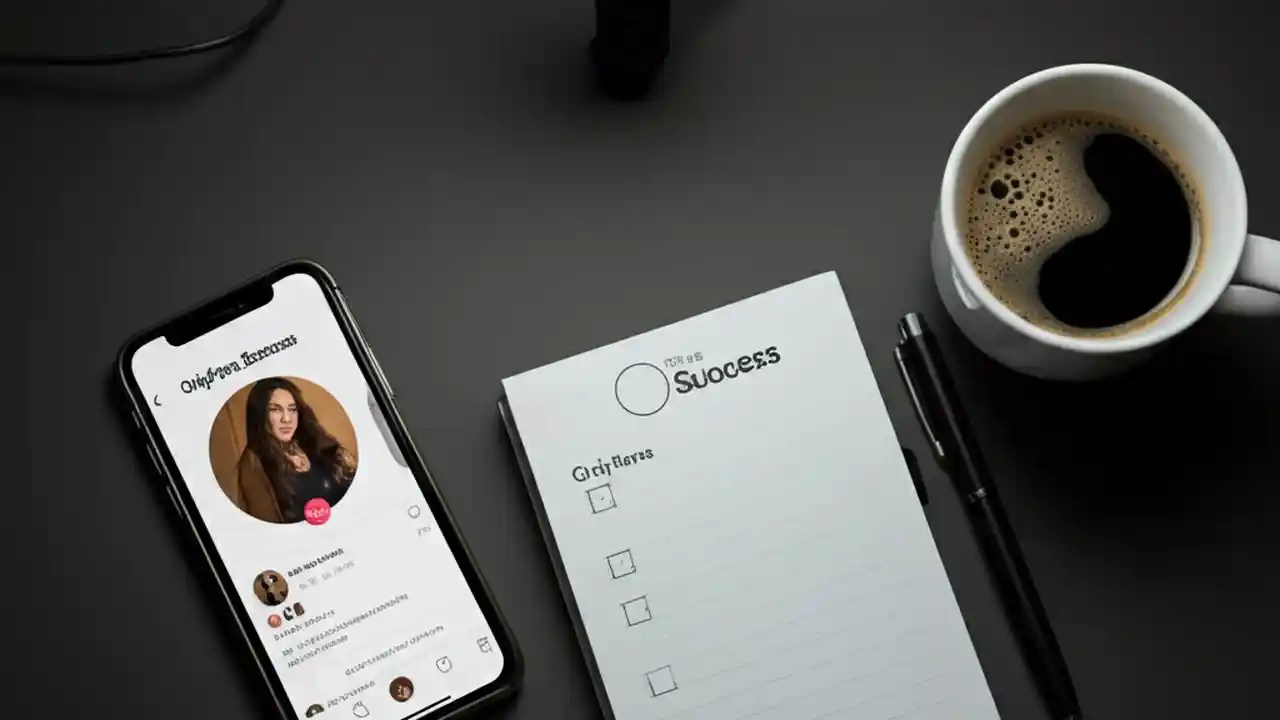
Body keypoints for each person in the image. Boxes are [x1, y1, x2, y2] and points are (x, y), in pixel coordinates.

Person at [234, 378, 356, 523]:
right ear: (260, 415)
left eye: (292, 409)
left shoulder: (313, 441)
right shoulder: (254, 463)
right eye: (275, 409)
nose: (287, 419)